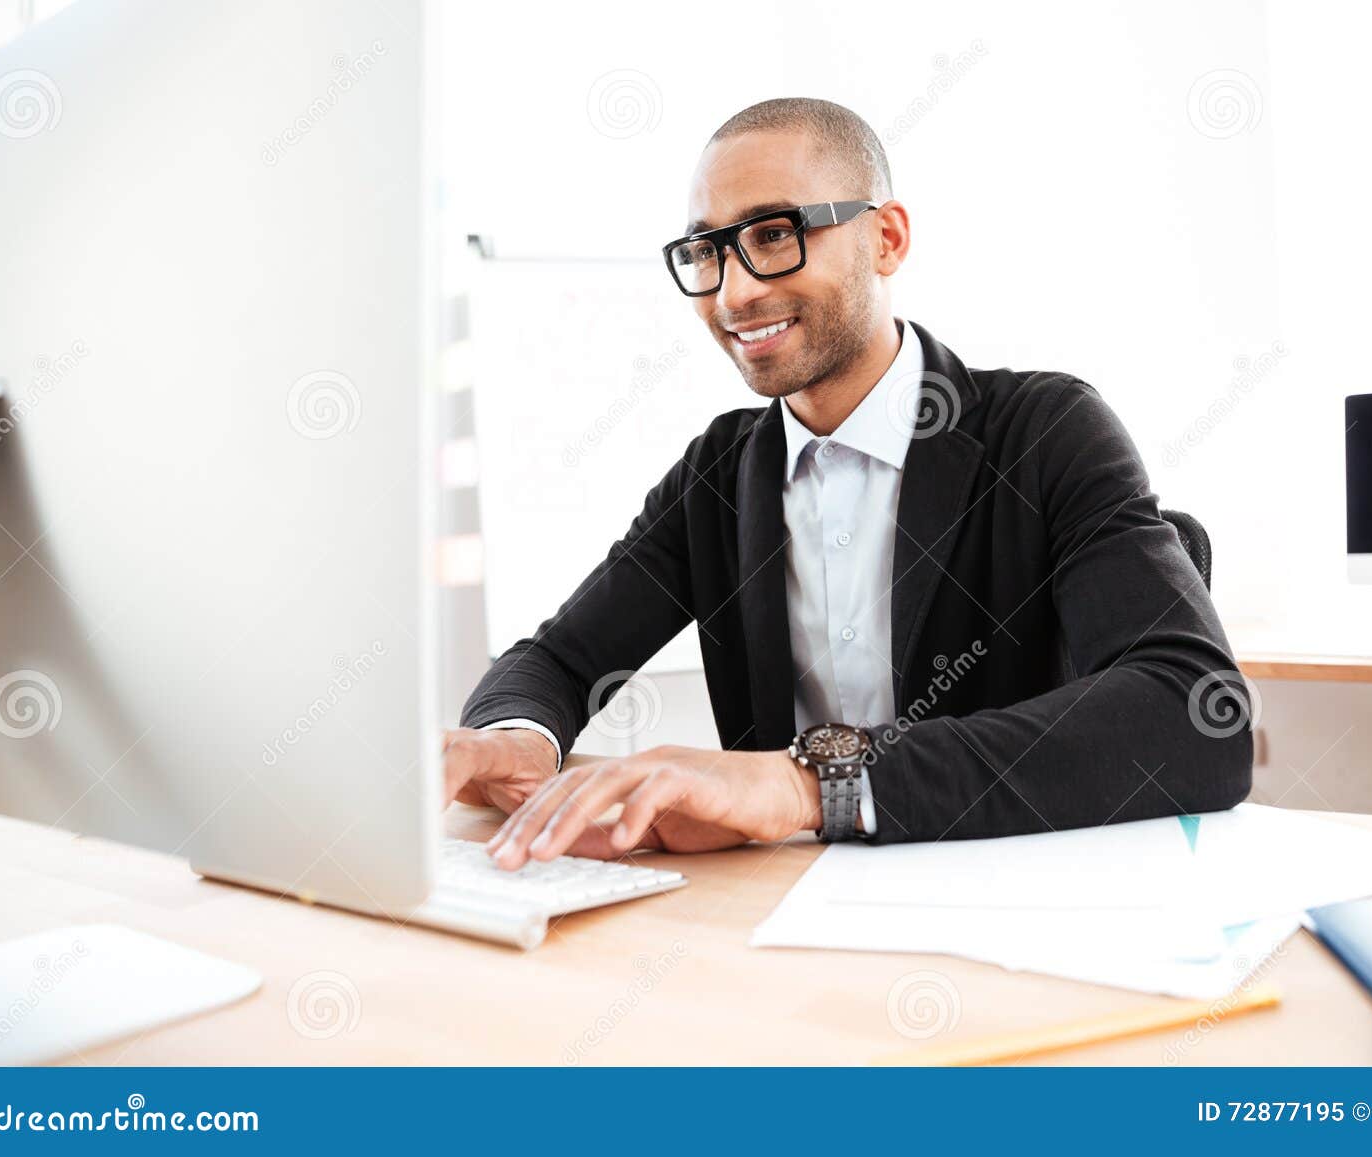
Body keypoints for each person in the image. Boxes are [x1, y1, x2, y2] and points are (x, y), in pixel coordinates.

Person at [443, 97, 1252, 869]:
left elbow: (1193, 714)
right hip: (779, 904)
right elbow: (558, 660)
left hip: (1009, 898)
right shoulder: (719, 472)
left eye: (774, 235)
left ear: (886, 239)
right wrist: (515, 737)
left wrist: (809, 782)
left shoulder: (1045, 432)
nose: (735, 292)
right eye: (708, 252)